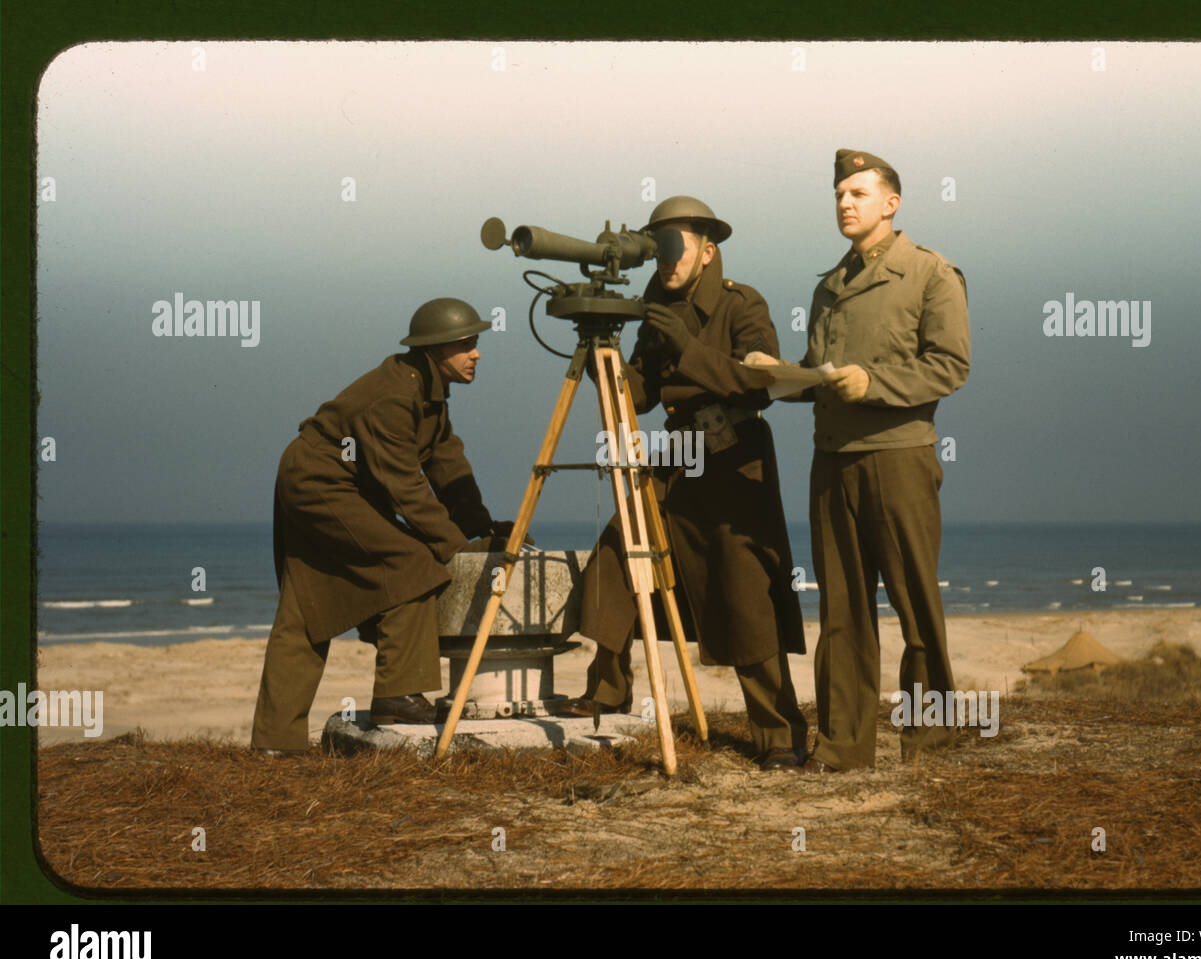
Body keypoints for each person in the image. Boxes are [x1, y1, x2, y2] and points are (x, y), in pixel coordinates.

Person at [561, 196, 809, 772]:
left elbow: (758, 385)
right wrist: (608, 360)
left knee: (745, 594)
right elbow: (642, 395)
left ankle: (779, 737)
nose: (666, 259)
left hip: (734, 459)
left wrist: (688, 350)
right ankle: (607, 690)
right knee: (618, 556)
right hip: (680, 456)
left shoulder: (741, 304)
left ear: (707, 249)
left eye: (677, 245)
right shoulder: (655, 305)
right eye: (659, 246)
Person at [251, 298, 515, 755]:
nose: (477, 354)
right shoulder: (395, 397)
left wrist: (481, 527)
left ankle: (276, 744)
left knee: (303, 610)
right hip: (320, 482)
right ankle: (397, 696)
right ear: (436, 348)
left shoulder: (426, 390)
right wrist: (459, 549)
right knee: (413, 563)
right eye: (467, 344)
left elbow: (445, 463)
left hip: (332, 480)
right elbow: (406, 488)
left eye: (476, 344)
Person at [788, 149, 971, 772]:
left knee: (916, 604)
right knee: (840, 611)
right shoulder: (827, 287)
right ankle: (842, 748)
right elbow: (822, 372)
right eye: (840, 193)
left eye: (859, 193)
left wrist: (876, 385)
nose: (845, 202)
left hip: (899, 460)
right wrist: (777, 377)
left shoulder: (929, 274)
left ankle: (930, 742)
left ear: (891, 204)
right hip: (831, 460)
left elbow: (951, 365)